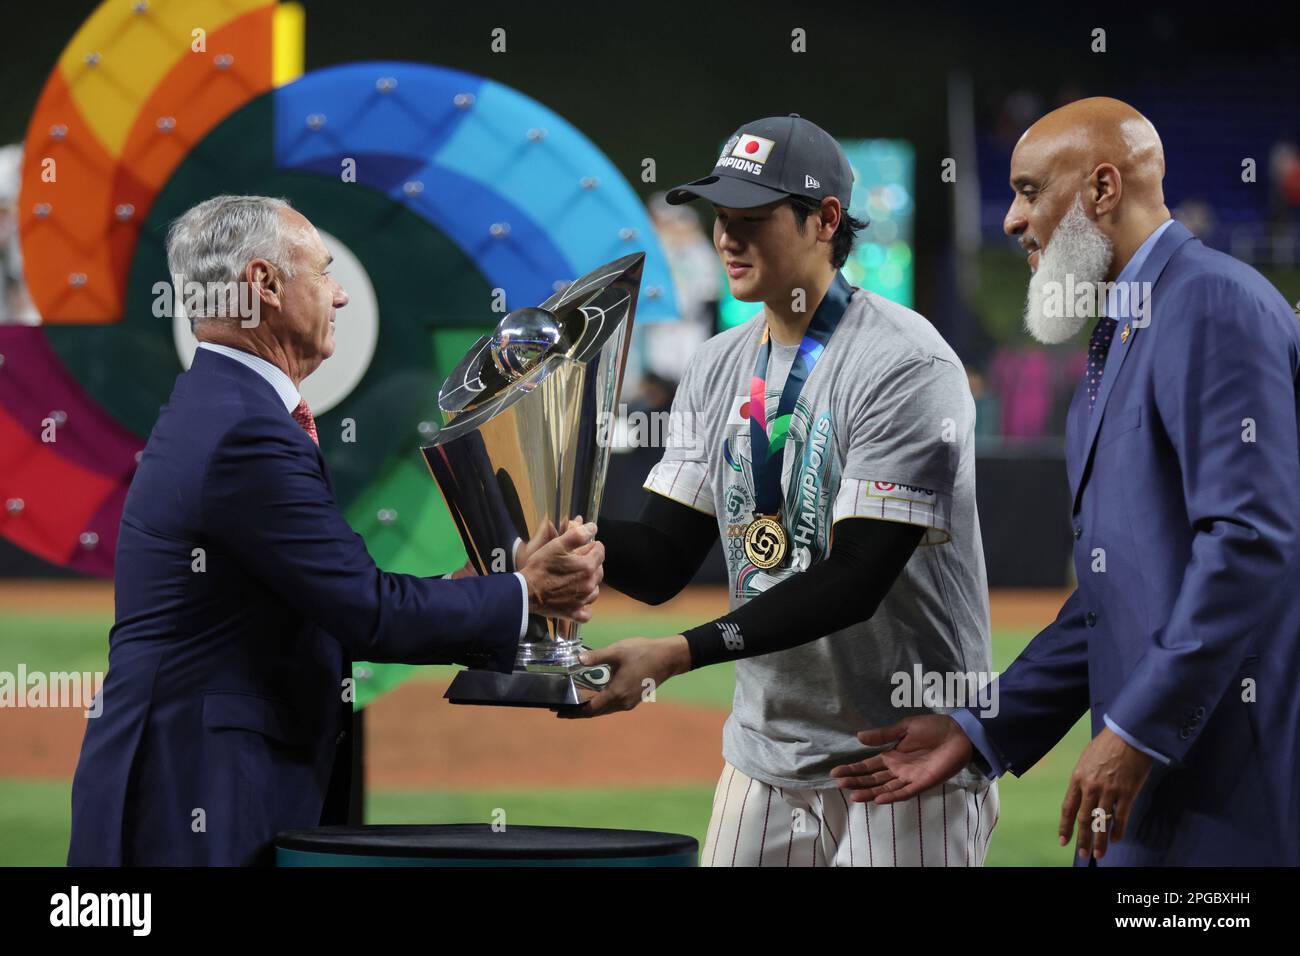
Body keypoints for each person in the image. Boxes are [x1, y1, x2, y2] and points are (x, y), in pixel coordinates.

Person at [67, 195, 604, 866]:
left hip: (189, 777)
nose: (342, 295)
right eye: (322, 272)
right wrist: (525, 595)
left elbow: (324, 597)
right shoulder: (246, 430)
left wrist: (472, 592)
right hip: (196, 793)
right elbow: (366, 612)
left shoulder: (226, 407)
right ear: (261, 284)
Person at [833, 98, 1300, 867]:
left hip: (1225, 799)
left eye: (1027, 190)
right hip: (1149, 792)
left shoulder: (1212, 303)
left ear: (1103, 189)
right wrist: (978, 726)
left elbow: (1250, 543)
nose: (1014, 221)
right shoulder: (1121, 335)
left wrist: (1139, 732)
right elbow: (1109, 601)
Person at [538, 116, 997, 866]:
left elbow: (854, 582)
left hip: (905, 753)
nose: (727, 238)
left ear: (826, 220)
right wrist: (559, 525)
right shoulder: (718, 365)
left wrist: (679, 655)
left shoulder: (908, 365)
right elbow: (659, 559)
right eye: (722, 217)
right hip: (766, 753)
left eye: (753, 219)